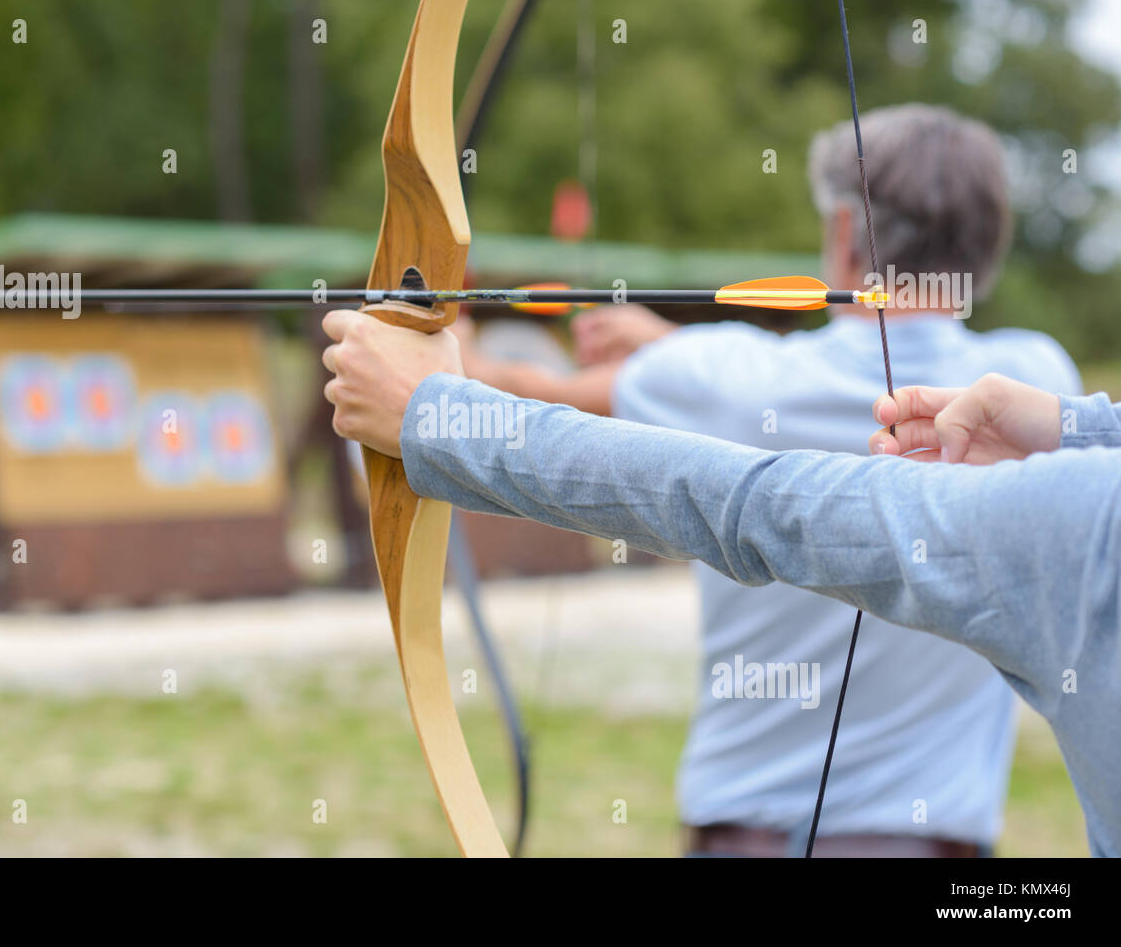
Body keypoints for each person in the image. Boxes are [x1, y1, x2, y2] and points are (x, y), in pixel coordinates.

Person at [452, 104, 1081, 856]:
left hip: (741, 838)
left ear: (847, 232)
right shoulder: (1039, 383)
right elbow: (824, 378)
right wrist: (676, 348)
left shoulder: (721, 379)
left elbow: (500, 390)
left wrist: (445, 330)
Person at [319, 311, 1120, 856]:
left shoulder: (1079, 519)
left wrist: (436, 408)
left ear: (843, 224)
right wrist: (1082, 428)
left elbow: (753, 504)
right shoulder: (1038, 367)